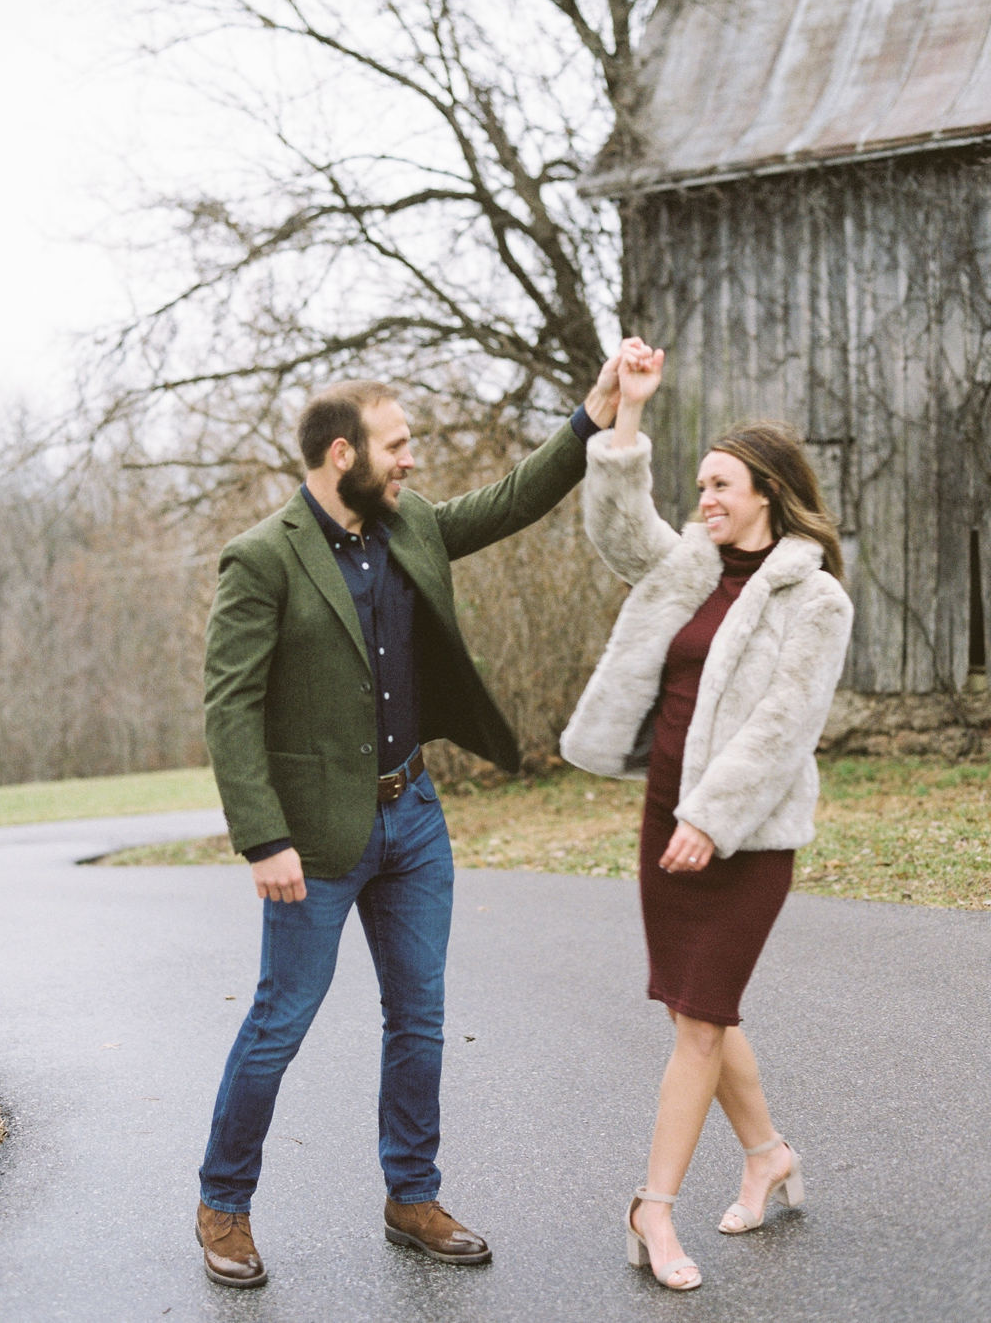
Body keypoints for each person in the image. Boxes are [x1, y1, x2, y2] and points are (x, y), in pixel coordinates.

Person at [196, 359, 646, 1288]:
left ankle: (412, 1194)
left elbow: (514, 499)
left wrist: (591, 417)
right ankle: (224, 1203)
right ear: (340, 452)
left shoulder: (409, 527)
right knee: (282, 1019)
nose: (411, 460)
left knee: (421, 1019)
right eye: (396, 445)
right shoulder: (264, 557)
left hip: (415, 816)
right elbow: (229, 707)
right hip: (316, 839)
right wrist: (262, 836)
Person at [561, 342, 853, 1291]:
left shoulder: (816, 598)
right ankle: (767, 1151)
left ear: (767, 490)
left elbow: (783, 724)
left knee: (700, 1016)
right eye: (698, 485)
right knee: (698, 1009)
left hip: (745, 833)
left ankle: (653, 1209)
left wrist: (716, 818)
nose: (705, 500)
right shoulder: (690, 563)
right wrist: (629, 415)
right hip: (664, 816)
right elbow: (616, 529)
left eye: (721, 484)